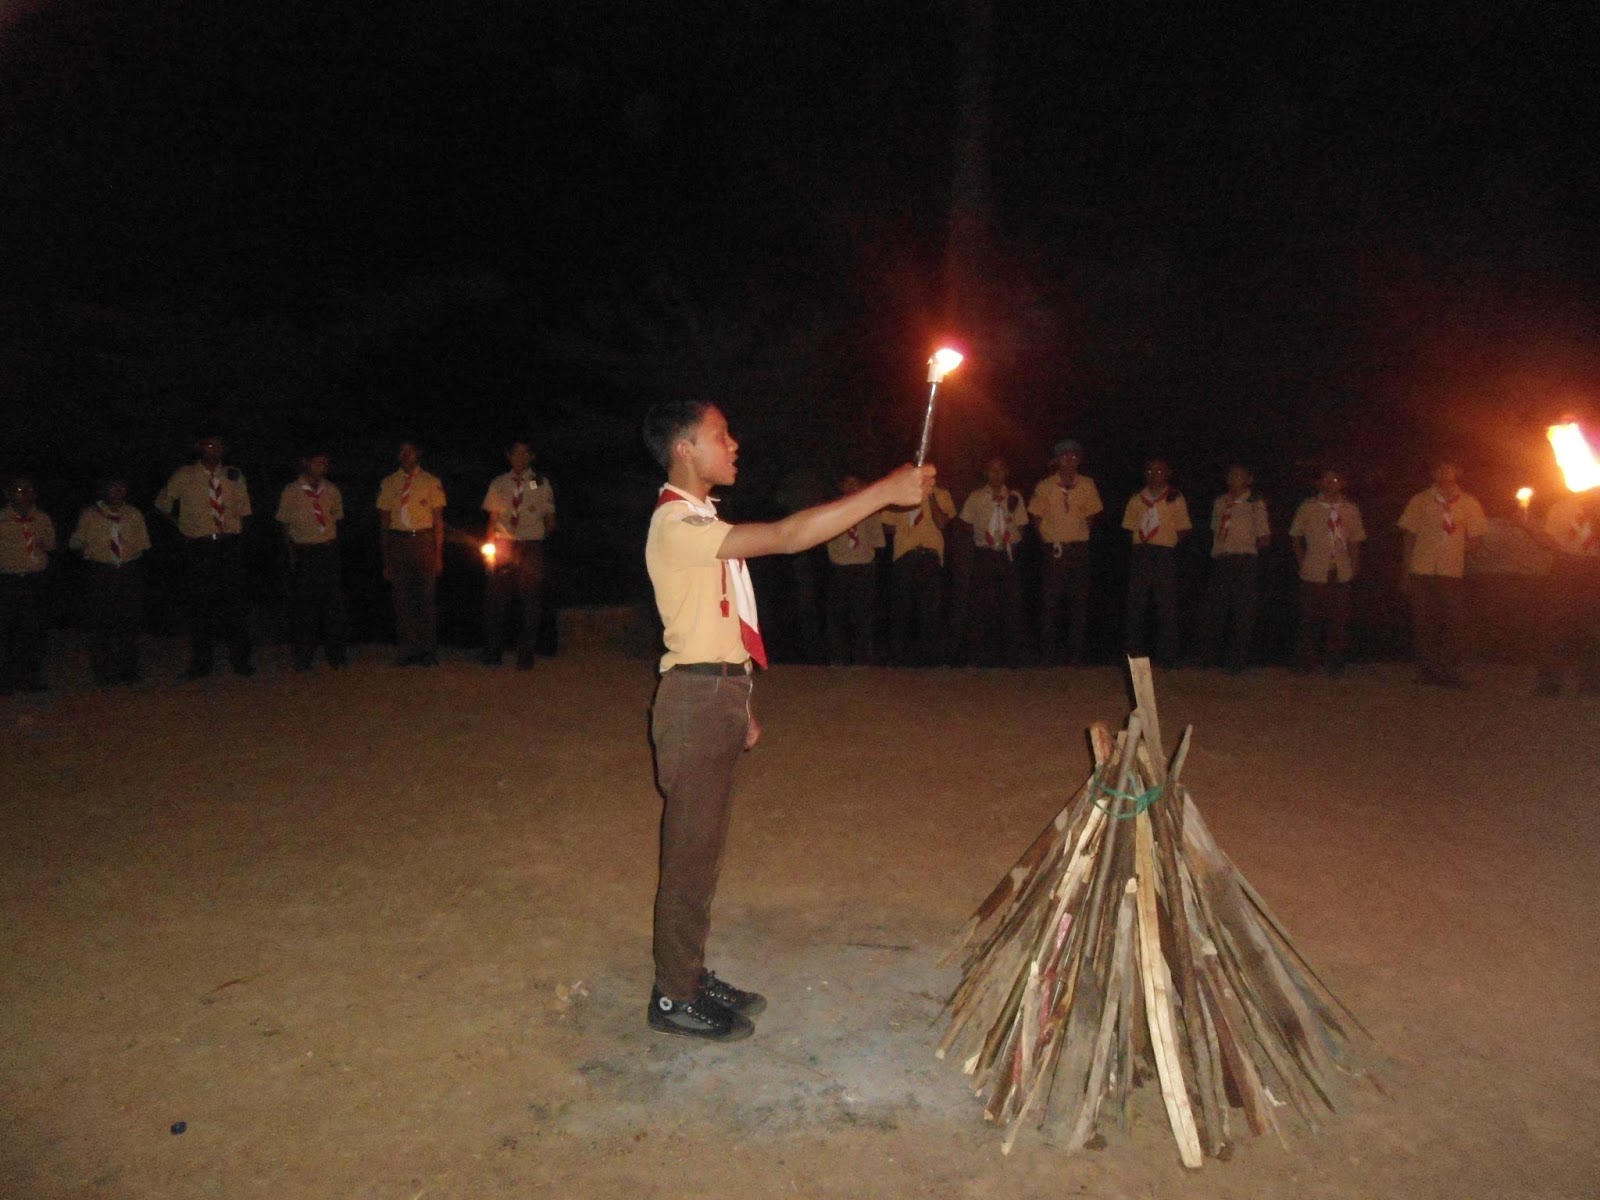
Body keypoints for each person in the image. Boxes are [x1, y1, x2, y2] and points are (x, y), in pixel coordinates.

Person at [641, 398, 932, 1041]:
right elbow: (790, 536)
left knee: (704, 851)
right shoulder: (675, 525)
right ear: (684, 449)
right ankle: (672, 997)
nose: (734, 444)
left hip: (713, 696)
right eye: (721, 435)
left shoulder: (700, 518)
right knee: (689, 856)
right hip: (693, 703)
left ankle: (687, 972)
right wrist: (885, 492)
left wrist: (740, 704)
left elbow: (717, 624)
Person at [155, 434, 255, 678]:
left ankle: (241, 661)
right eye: (209, 445)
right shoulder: (185, 474)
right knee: (200, 607)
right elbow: (162, 504)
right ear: (199, 448)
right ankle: (201, 664)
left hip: (228, 544)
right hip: (200, 547)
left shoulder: (233, 474)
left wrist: (236, 535)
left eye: (218, 445)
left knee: (235, 606)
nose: (214, 450)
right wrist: (184, 528)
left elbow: (244, 510)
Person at [1397, 462, 1487, 688]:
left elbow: (1476, 538)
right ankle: (1427, 670)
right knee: (1424, 622)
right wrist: (1406, 569)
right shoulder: (1420, 500)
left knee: (1453, 622)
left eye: (1451, 469)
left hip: (1452, 571)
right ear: (1433, 473)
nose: (1446, 473)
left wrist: (1457, 548)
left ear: (1459, 473)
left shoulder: (1468, 502)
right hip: (1422, 568)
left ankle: (1451, 670)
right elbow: (1409, 536)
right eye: (1440, 469)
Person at [480, 440, 556, 668]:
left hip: (530, 544)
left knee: (530, 601)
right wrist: (488, 549)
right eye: (516, 454)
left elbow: (549, 517)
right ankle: (493, 652)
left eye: (525, 454)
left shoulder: (538, 483)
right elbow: (492, 520)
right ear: (508, 456)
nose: (520, 458)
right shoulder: (499, 483)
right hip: (504, 543)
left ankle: (526, 654)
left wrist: (541, 539)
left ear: (532, 457)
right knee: (496, 599)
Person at [69, 476, 151, 686]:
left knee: (129, 623)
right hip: (100, 571)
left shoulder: (133, 514)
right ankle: (103, 672)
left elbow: (142, 545)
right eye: (112, 487)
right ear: (104, 489)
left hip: (127, 570)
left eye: (121, 487)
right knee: (100, 624)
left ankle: (129, 671)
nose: (117, 491)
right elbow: (76, 543)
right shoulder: (90, 514)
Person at [1028, 438, 1103, 666]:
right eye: (1064, 456)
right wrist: (1049, 538)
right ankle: (1047, 655)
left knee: (1078, 602)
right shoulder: (1045, 486)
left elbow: (1092, 515)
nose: (1069, 460)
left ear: (1079, 460)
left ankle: (1075, 655)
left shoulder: (1088, 484)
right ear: (1057, 461)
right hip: (1055, 549)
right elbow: (1035, 515)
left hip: (1079, 548)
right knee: (1050, 603)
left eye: (1073, 456)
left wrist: (1076, 535)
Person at [275, 450, 349, 670]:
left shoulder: (332, 490)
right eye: (318, 462)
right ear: (305, 462)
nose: (322, 467)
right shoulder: (291, 491)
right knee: (305, 607)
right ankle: (304, 656)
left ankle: (336, 655)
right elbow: (284, 525)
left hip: (328, 550)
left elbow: (336, 518)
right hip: (305, 552)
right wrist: (291, 555)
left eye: (325, 463)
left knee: (333, 606)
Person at [1288, 469, 1366, 676]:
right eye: (1326, 479)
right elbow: (1295, 536)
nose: (1330, 483)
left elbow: (1355, 540)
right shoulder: (1308, 507)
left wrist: (1354, 565)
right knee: (1309, 619)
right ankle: (1306, 663)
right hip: (1314, 570)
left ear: (1342, 483)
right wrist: (1302, 560)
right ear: (1319, 483)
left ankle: (1334, 665)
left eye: (1334, 479)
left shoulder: (1350, 509)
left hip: (1340, 570)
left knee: (1338, 621)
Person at [376, 441, 446, 667]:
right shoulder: (389, 483)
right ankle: (407, 649)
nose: (407, 455)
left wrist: (438, 554)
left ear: (418, 453)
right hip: (399, 541)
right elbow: (384, 522)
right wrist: (386, 557)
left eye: (410, 451)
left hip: (423, 540)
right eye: (402, 451)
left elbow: (438, 522)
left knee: (426, 598)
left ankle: (428, 650)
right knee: (402, 599)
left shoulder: (431, 482)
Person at [1195, 465, 1271, 672]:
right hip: (1222, 559)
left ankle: (1236, 661)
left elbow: (1264, 536)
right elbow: (1214, 529)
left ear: (1249, 479)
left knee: (1242, 611)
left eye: (1239, 475)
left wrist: (1245, 545)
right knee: (1214, 609)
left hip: (1245, 560)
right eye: (1231, 475)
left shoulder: (1255, 503)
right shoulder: (1220, 502)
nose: (1234, 478)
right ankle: (1208, 658)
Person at [957, 455, 1029, 665]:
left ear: (1006, 473)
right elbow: (965, 522)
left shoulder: (1014, 497)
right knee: (982, 604)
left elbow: (1023, 525)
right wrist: (984, 532)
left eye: (1000, 470)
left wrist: (1010, 529)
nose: (996, 474)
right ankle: (980, 655)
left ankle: (1011, 656)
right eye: (992, 470)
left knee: (1011, 604)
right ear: (986, 473)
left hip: (1008, 554)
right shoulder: (977, 496)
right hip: (985, 554)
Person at [1120, 458, 1191, 666]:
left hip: (1164, 553)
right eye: (1150, 469)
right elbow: (1129, 527)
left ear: (1168, 473)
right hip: (1141, 553)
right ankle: (1132, 655)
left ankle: (1168, 657)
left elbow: (1184, 528)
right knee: (1135, 606)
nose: (1155, 474)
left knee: (1166, 607)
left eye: (1160, 470)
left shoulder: (1174, 498)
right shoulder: (1136, 499)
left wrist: (1167, 542)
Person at [1530, 488, 1600, 696]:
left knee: (1593, 627)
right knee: (1556, 625)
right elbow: (1550, 540)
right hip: (1566, 564)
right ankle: (1549, 682)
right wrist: (1530, 528)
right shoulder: (1562, 507)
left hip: (1595, 566)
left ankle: (1592, 683)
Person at [882, 474, 956, 666]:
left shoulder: (942, 494)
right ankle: (898, 659)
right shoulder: (900, 496)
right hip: (904, 555)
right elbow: (888, 527)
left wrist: (930, 496)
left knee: (929, 609)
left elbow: (942, 523)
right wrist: (898, 503)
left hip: (929, 555)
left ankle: (931, 660)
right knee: (901, 609)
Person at [0, 477, 56, 693]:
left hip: (35, 580)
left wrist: (43, 544)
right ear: (8, 493)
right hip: (9, 581)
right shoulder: (2, 520)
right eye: (20, 490)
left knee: (34, 631)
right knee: (7, 632)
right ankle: (6, 680)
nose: (25, 495)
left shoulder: (41, 518)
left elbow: (51, 545)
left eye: (30, 490)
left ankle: (31, 678)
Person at [823, 474, 885, 666]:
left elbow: (877, 539)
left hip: (863, 565)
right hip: (840, 565)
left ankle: (863, 659)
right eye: (847, 483)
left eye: (855, 483)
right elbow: (824, 535)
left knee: (863, 614)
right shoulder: (832, 508)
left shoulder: (870, 508)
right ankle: (838, 658)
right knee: (837, 615)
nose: (851, 487)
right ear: (841, 486)